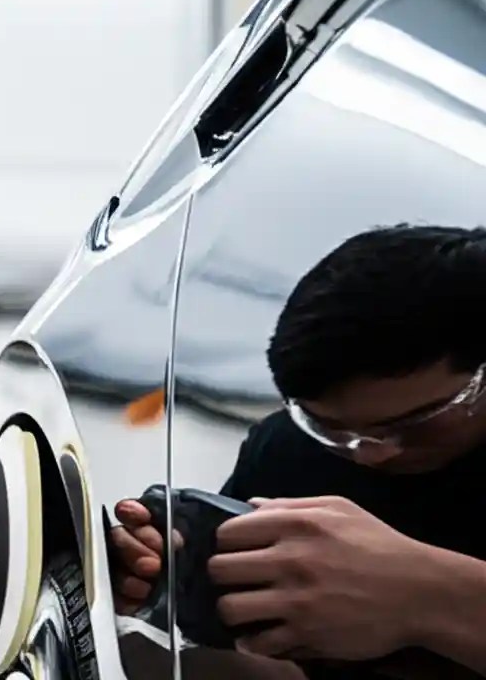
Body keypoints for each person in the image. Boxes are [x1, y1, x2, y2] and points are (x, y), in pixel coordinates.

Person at [109, 224, 486, 677]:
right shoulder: (290, 455)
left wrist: (428, 595)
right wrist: (165, 604)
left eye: (414, 426)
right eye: (333, 430)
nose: (371, 454)